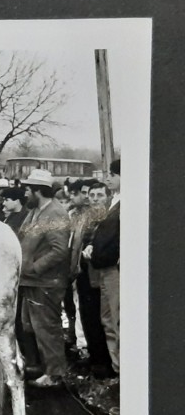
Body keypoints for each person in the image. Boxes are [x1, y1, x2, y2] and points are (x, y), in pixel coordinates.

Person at [16, 169, 71, 388]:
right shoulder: (35, 211)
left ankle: (55, 374)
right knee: (30, 325)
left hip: (46, 282)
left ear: (38, 191)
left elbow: (59, 250)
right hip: (31, 281)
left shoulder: (55, 214)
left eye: (28, 189)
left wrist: (35, 268)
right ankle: (41, 367)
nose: (25, 194)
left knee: (47, 326)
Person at [69, 179, 113, 378]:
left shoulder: (108, 217)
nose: (95, 199)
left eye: (99, 195)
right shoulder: (85, 216)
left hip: (100, 273)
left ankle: (104, 362)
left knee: (100, 318)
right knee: (87, 317)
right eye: (92, 195)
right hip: (83, 271)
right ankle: (94, 357)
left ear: (107, 196)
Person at [86, 160, 120, 376]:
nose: (109, 178)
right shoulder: (113, 202)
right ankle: (117, 370)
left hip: (115, 269)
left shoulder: (126, 203)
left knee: (117, 321)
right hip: (103, 267)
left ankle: (123, 372)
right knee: (108, 320)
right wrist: (91, 245)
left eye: (113, 174)